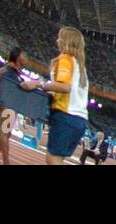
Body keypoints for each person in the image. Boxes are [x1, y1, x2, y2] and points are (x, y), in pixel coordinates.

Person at [21, 26, 90, 165]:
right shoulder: (80, 66)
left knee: (52, 159)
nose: (57, 40)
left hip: (65, 116)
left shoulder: (65, 59)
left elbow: (65, 87)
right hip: (80, 120)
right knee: (58, 159)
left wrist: (38, 83)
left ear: (66, 41)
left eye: (60, 37)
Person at [0, 47, 27, 165]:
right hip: (7, 103)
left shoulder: (16, 71)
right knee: (5, 133)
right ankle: (6, 162)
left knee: (3, 132)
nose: (25, 57)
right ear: (17, 57)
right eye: (23, 55)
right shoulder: (10, 67)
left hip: (10, 103)